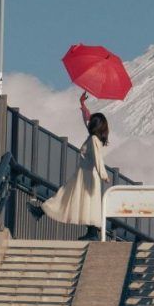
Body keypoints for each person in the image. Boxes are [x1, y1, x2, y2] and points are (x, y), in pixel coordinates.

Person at [41, 91, 111, 239]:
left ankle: (92, 233)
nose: (89, 122)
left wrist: (103, 174)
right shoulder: (93, 137)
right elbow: (87, 120)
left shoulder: (92, 139)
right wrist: (82, 104)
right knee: (75, 198)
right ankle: (41, 211)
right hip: (84, 174)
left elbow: (98, 158)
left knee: (77, 199)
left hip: (87, 176)